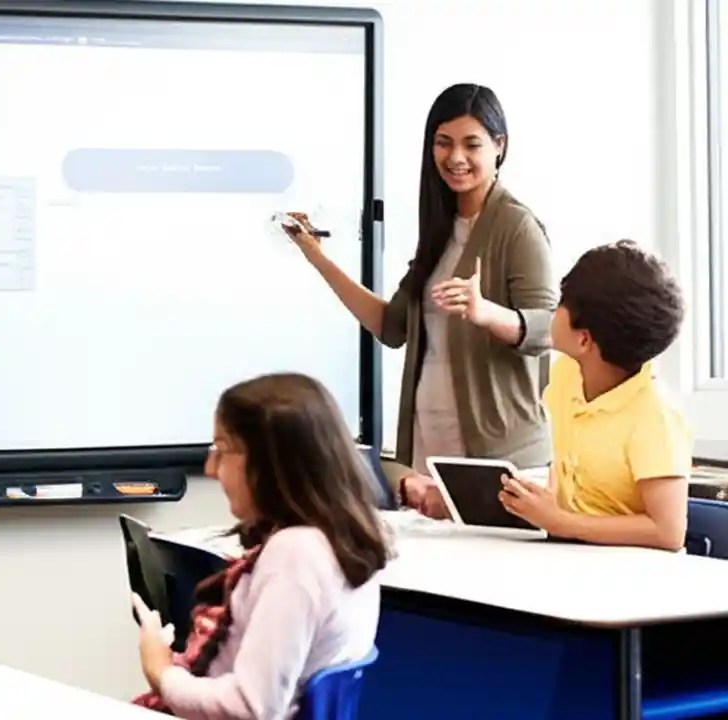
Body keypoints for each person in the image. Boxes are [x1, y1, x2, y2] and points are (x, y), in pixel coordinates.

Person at [284, 83, 557, 517]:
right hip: (431, 456)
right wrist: (317, 257)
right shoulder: (440, 229)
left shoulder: (517, 227)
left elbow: (547, 329)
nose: (455, 158)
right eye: (443, 143)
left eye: (472, 144)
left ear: (500, 147)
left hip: (500, 460)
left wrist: (484, 312)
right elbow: (392, 328)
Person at [131, 373, 388, 719]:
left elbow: (252, 708)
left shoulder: (298, 554)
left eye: (222, 450)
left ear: (271, 462)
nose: (209, 468)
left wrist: (162, 673)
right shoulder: (346, 537)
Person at [499, 241, 690, 551]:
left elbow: (668, 532)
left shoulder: (655, 413)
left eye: (562, 301)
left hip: (632, 577)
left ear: (584, 339)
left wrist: (562, 522)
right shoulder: (566, 375)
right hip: (571, 555)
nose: (554, 308)